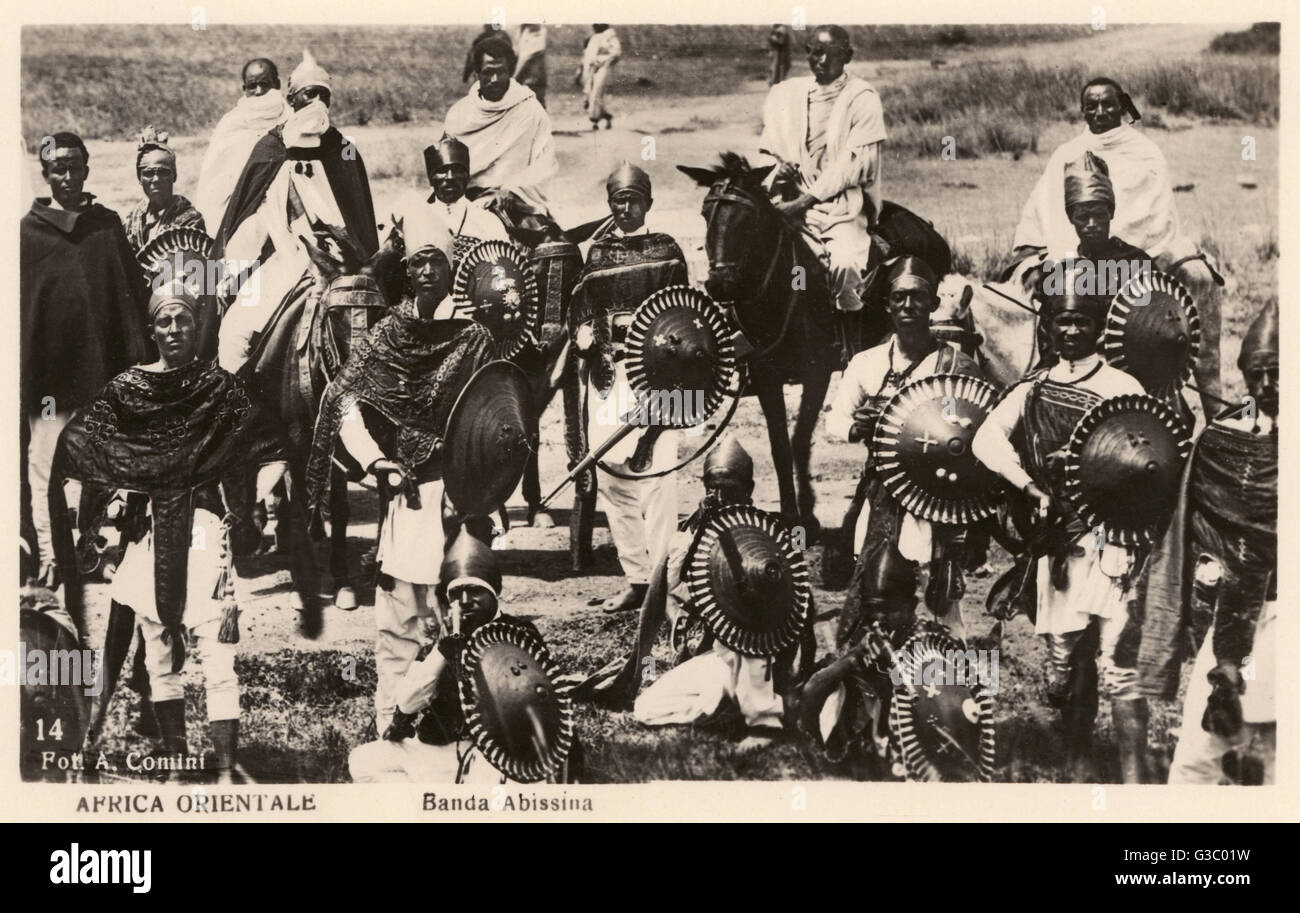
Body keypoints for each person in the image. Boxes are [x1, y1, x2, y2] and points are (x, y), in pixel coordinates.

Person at [50, 283, 281, 783]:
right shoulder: (129, 388)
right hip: (146, 533)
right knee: (159, 655)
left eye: (183, 320)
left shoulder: (220, 389)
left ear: (198, 326)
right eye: (163, 322)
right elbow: (79, 443)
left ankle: (221, 770)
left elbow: (273, 444)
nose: (173, 330)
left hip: (202, 531)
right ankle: (177, 761)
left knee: (217, 658)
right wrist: (108, 497)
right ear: (151, 329)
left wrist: (253, 500)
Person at [307, 222, 497, 733]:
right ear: (408, 271)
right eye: (417, 263)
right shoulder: (389, 332)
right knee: (396, 625)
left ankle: (461, 733)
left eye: (436, 260)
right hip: (404, 501)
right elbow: (343, 401)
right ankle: (391, 727)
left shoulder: (475, 337)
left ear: (452, 268)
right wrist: (374, 462)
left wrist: (480, 492)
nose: (427, 270)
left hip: (460, 504)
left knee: (459, 622)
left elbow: (500, 420)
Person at [971, 268, 1152, 782]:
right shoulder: (1033, 389)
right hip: (1060, 544)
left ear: (1096, 327)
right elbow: (986, 438)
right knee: (1067, 660)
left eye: (1080, 321)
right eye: (1062, 322)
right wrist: (1028, 484)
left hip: (1114, 543)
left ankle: (1137, 777)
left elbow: (1150, 458)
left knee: (1120, 660)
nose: (1071, 332)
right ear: (1047, 327)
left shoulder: (1122, 387)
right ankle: (1078, 764)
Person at [1013, 77, 1222, 412]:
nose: (1099, 112)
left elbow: (1156, 215)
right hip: (1076, 254)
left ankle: (1208, 399)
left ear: (1122, 105)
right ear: (1082, 110)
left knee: (1194, 281)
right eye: (1091, 105)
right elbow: (1047, 212)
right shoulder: (1066, 154)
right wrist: (1061, 253)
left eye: (1108, 104)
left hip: (1144, 254)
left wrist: (1118, 249)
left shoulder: (1145, 151)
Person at [1138, 301, 1277, 784]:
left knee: (1276, 760)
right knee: (1195, 767)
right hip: (1230, 624)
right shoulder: (1221, 439)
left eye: (1278, 373)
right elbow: (1187, 520)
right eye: (1256, 375)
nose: (1266, 387)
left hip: (1286, 617)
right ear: (1242, 374)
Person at [828, 257, 984, 646]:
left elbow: (983, 430)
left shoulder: (958, 367)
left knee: (939, 597)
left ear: (933, 304)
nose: (908, 306)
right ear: (887, 305)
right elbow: (835, 420)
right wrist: (855, 427)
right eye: (899, 298)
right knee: (876, 590)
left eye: (918, 297)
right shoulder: (866, 364)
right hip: (881, 495)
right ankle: (876, 683)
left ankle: (949, 690)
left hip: (938, 499)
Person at [21, 131, 150, 587]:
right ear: (47, 173)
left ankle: (89, 546)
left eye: (76, 167)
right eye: (60, 168)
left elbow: (131, 295)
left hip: (101, 375)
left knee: (105, 464)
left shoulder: (105, 225)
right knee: (45, 468)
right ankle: (50, 556)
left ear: (88, 169)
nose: (69, 176)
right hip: (50, 384)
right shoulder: (28, 233)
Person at [349, 533, 572, 783]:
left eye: (475, 591)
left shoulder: (518, 634)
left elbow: (539, 711)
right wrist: (443, 651)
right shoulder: (446, 638)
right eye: (456, 594)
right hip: (440, 751)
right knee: (363, 762)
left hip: (489, 753)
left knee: (487, 778)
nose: (464, 602)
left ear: (494, 593)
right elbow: (407, 703)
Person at [571, 163, 689, 615]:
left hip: (657, 378)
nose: (625, 208)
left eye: (633, 200)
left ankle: (664, 582)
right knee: (611, 478)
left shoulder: (667, 250)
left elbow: (686, 315)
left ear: (648, 204)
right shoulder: (597, 253)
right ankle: (637, 578)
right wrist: (584, 334)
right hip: (607, 374)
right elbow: (581, 309)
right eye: (618, 200)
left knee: (658, 480)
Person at [214, 49, 378, 373]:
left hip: (343, 263)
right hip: (284, 261)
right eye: (308, 94)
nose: (316, 102)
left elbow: (361, 221)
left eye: (323, 94)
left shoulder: (344, 149)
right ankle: (240, 415)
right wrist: (231, 269)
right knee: (235, 333)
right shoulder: (271, 147)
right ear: (292, 99)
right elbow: (253, 221)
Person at [759, 25, 887, 345]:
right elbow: (770, 148)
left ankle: (851, 344)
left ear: (847, 55)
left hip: (840, 207)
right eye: (815, 52)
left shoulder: (862, 98)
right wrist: (780, 169)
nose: (821, 60)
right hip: (788, 197)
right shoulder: (787, 94)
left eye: (831, 53)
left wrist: (803, 203)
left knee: (844, 265)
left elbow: (853, 164)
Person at [443, 33, 557, 217]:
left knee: (551, 243)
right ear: (477, 73)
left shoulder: (530, 109)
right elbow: (445, 167)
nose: (494, 79)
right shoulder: (459, 113)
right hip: (466, 201)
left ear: (510, 71)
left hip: (516, 201)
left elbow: (545, 163)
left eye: (501, 72)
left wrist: (512, 191)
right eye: (488, 72)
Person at [192, 58, 289, 230]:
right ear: (244, 89)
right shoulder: (231, 123)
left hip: (284, 207)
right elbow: (213, 179)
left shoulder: (290, 118)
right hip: (237, 210)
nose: (259, 91)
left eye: (265, 84)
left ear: (278, 84)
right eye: (252, 86)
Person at [392, 136, 509, 277]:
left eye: (457, 170)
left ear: (467, 177)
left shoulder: (488, 221)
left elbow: (504, 272)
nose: (450, 177)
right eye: (442, 170)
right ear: (431, 178)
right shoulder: (415, 218)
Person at [123, 125, 206, 256]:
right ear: (139, 178)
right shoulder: (133, 219)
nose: (156, 179)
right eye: (148, 173)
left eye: (163, 172)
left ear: (174, 175)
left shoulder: (190, 220)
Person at [581, 24, 621, 130]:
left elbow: (616, 53)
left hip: (603, 68)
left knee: (597, 93)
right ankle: (605, 117)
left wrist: (601, 60)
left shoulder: (610, 37)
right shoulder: (594, 38)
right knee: (589, 93)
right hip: (591, 70)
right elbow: (587, 56)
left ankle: (595, 120)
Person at [513, 23, 548, 107]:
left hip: (531, 79)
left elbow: (527, 57)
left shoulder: (536, 29)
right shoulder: (522, 29)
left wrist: (514, 78)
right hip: (525, 78)